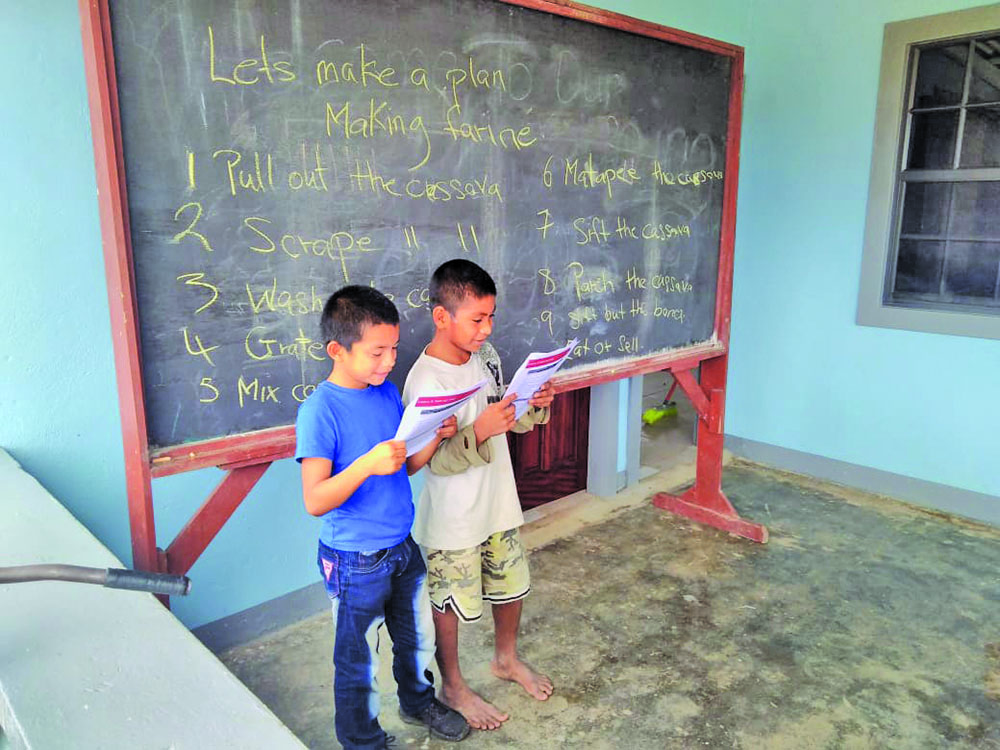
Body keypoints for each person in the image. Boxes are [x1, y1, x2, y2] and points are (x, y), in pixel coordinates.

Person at [295, 285, 470, 750]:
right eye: (377, 352)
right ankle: (362, 740)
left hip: (401, 548)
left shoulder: (388, 395)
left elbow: (407, 464)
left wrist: (434, 433)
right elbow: (315, 499)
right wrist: (366, 464)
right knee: (357, 662)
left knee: (417, 641)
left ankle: (418, 702)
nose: (390, 360)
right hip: (355, 561)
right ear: (337, 349)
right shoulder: (320, 411)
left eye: (393, 348)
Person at [403, 259, 556, 731]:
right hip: (452, 518)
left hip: (497, 501)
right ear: (441, 317)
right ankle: (452, 683)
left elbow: (499, 416)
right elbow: (429, 459)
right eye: (476, 319)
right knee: (449, 600)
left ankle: (505, 659)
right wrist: (481, 430)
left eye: (491, 317)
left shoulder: (485, 358)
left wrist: (530, 406)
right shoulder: (424, 381)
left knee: (510, 583)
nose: (486, 328)